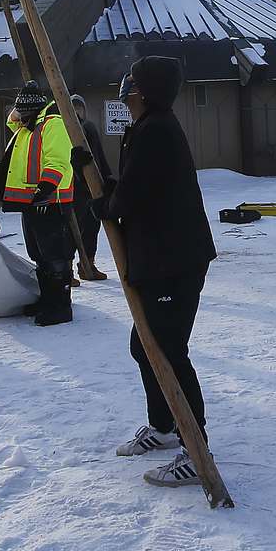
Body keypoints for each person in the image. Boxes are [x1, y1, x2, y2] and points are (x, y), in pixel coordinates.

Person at [83, 56, 217, 490]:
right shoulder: (143, 128)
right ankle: (162, 426)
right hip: (157, 256)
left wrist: (106, 205)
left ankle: (196, 450)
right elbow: (130, 183)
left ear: (146, 91)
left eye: (132, 84)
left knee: (168, 352)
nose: (126, 90)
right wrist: (96, 173)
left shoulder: (157, 130)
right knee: (146, 348)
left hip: (173, 260)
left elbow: (134, 195)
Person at [0, 81, 76, 326]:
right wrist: (20, 107)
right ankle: (48, 300)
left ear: (36, 110)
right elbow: (12, 120)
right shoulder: (29, 125)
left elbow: (58, 161)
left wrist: (45, 189)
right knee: (39, 254)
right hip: (31, 201)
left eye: (24, 112)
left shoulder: (52, 124)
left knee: (54, 255)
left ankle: (60, 306)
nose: (20, 117)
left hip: (49, 200)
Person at [67, 93, 111, 282]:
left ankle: (87, 265)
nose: (77, 111)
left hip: (91, 188)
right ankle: (67, 271)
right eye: (74, 107)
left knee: (91, 227)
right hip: (72, 187)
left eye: (80, 107)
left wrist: (107, 178)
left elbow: (99, 156)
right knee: (71, 228)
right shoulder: (64, 130)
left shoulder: (89, 128)